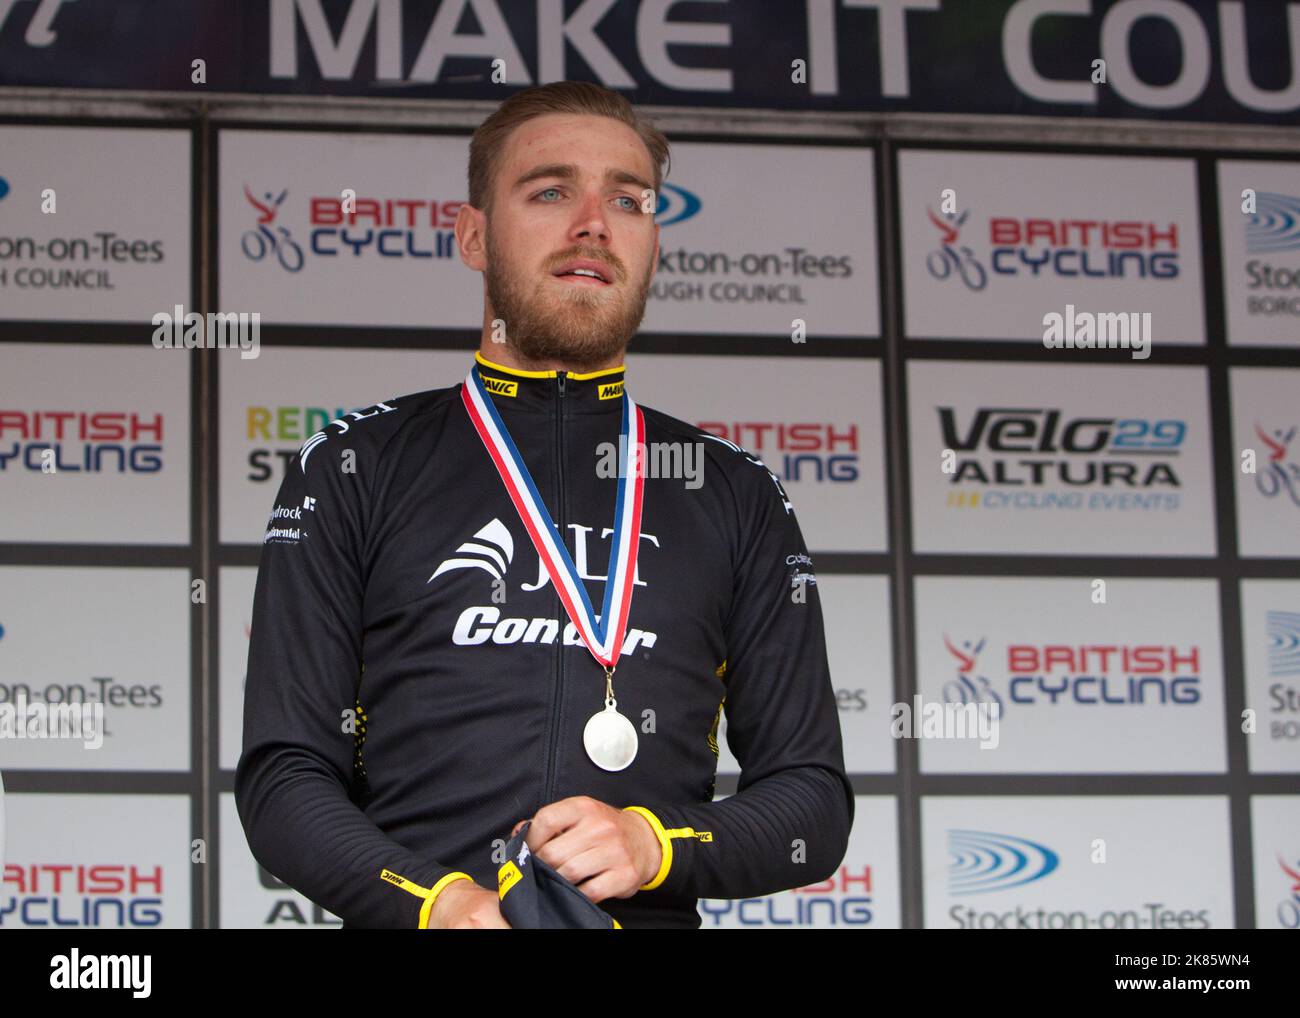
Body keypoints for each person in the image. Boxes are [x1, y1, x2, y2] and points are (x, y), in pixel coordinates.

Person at [235, 80, 853, 930]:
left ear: (653, 241)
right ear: (474, 236)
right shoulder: (351, 466)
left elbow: (812, 803)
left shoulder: (735, 493)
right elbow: (283, 779)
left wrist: (654, 844)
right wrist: (440, 905)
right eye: (552, 190)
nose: (594, 221)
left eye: (628, 199)